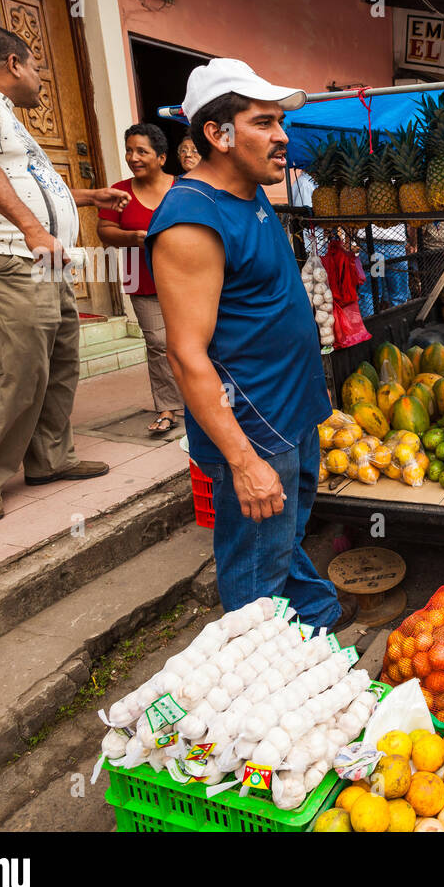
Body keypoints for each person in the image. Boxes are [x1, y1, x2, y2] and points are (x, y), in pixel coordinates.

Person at [146, 58, 344, 630]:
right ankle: (254, 666)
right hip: (256, 428)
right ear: (218, 133)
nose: (283, 136)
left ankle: (314, 614)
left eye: (281, 122)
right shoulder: (192, 221)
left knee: (283, 537)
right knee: (256, 566)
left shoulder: (249, 193)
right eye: (264, 122)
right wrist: (242, 459)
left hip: (292, 413)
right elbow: (186, 356)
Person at [0, 24, 129, 521]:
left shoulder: (2, 112)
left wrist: (85, 198)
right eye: (36, 66)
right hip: (3, 256)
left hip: (41, 259)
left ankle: (50, 459)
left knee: (58, 361)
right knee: (16, 368)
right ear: (13, 63)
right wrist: (35, 230)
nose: (39, 78)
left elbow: (26, 178)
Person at [97, 123, 185, 435]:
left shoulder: (183, 188)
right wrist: (131, 237)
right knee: (158, 343)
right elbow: (104, 233)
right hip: (140, 276)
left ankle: (203, 402)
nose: (133, 157)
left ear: (161, 157)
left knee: (195, 341)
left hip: (187, 280)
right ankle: (168, 407)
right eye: (129, 150)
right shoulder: (118, 191)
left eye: (142, 151)